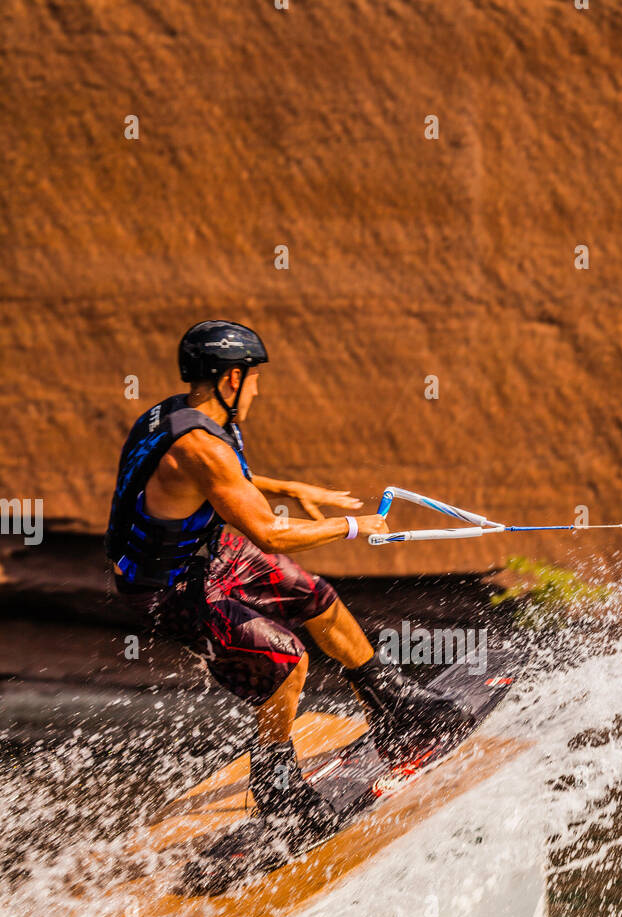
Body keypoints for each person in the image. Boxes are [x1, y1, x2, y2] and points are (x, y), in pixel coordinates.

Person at [106, 319, 471, 848]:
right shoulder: (199, 444)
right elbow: (266, 530)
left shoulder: (180, 412)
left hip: (204, 554)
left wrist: (288, 485)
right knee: (285, 659)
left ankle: (395, 708)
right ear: (232, 379)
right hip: (165, 587)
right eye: (252, 379)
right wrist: (354, 526)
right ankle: (278, 791)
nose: (255, 389)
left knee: (312, 596)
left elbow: (222, 481)